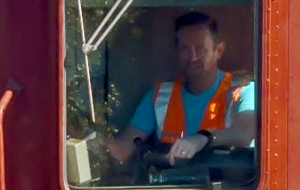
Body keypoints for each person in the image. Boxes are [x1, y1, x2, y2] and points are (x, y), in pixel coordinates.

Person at [106, 12, 258, 166]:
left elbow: (244, 133)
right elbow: (125, 147)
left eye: (201, 49)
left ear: (218, 51)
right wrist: (97, 149)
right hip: (171, 186)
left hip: (228, 187)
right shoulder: (159, 96)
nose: (193, 57)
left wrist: (202, 138)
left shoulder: (244, 90)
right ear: (177, 52)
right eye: (185, 49)